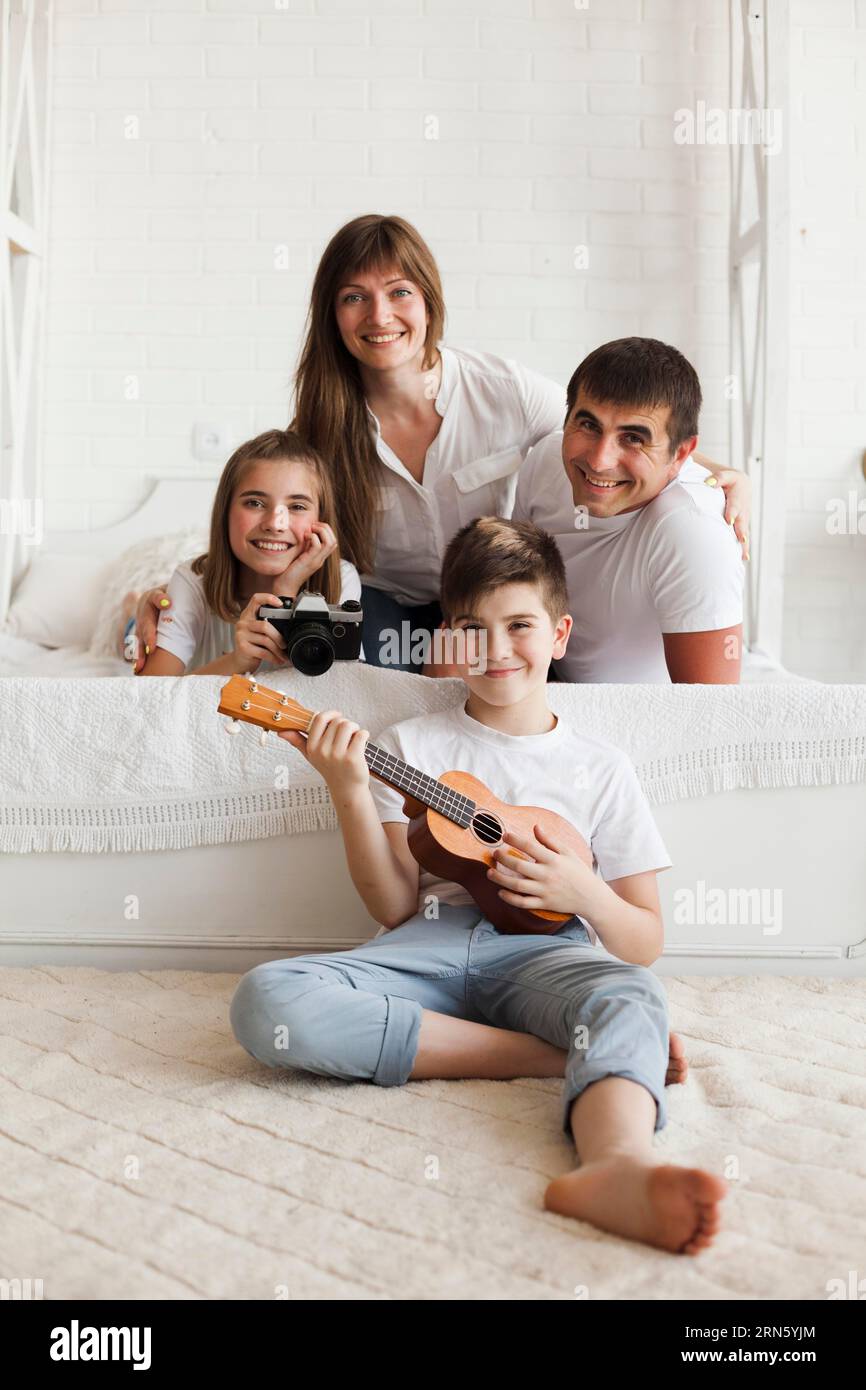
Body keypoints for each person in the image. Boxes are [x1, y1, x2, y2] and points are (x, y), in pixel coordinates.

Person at [228, 515, 726, 1253]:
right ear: (445, 640)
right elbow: (394, 904)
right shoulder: (412, 746)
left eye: (519, 625)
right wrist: (348, 791)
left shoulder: (601, 766)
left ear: (559, 635)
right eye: (472, 629)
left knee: (633, 996)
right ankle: (552, 1055)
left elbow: (643, 940)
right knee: (266, 1000)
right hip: (426, 941)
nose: (496, 651)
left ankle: (617, 1166)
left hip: (547, 954)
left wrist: (581, 891)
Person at [129, 214, 749, 676]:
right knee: (318, 673)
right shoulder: (319, 427)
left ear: (428, 299)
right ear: (332, 315)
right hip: (382, 612)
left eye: (399, 291)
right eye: (354, 298)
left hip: (487, 606)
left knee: (494, 688)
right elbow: (271, 524)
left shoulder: (503, 390)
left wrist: (723, 473)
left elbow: (605, 431)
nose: (380, 315)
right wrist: (166, 593)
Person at [512, 338, 744, 683]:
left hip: (638, 721)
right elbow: (510, 593)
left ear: (681, 454)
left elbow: (709, 714)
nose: (598, 461)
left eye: (633, 438)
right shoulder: (547, 458)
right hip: (549, 686)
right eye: (588, 425)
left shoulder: (693, 531)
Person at [134, 428, 360, 677]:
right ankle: (130, 608)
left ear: (321, 518)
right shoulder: (191, 580)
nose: (275, 524)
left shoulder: (342, 578)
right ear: (225, 513)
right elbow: (151, 694)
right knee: (136, 627)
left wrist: (285, 590)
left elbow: (334, 690)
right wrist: (238, 660)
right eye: (255, 503)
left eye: (296, 506)